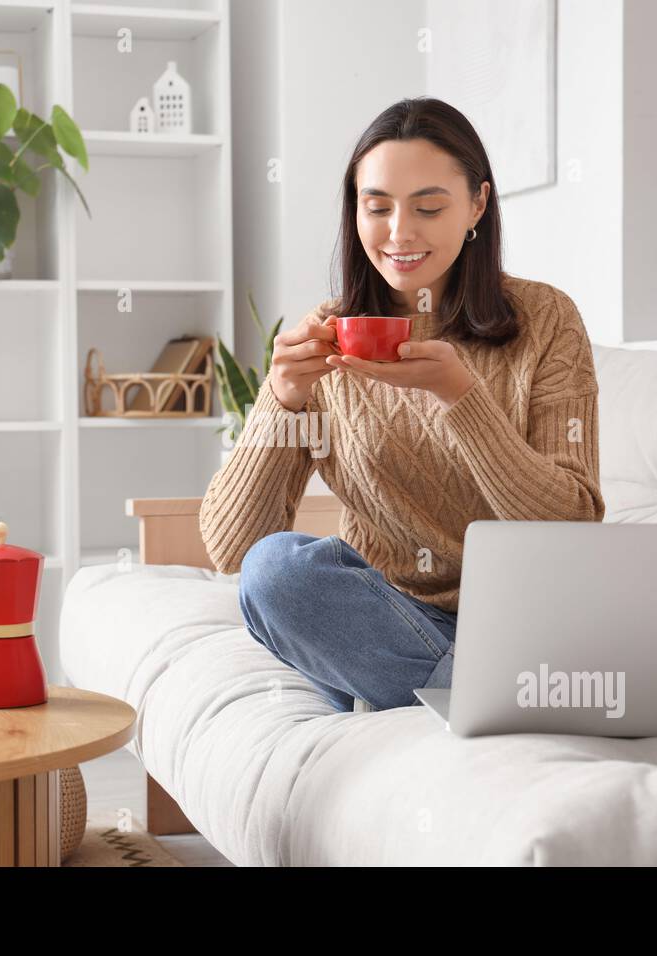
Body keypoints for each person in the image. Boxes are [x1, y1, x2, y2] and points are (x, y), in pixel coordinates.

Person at [199, 97, 605, 713]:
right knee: (276, 571)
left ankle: (445, 695)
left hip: (519, 624)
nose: (399, 233)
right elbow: (233, 548)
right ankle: (476, 698)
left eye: (429, 206)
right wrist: (281, 405)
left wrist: (461, 397)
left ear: (477, 205)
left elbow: (572, 527)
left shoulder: (546, 321)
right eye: (378, 206)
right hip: (387, 623)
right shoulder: (328, 339)